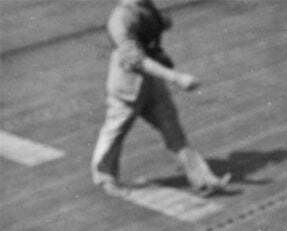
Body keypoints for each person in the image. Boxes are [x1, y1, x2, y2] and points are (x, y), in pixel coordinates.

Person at [90, 0, 230, 197]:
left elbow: (160, 23)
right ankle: (106, 179)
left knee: (173, 130)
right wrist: (177, 78)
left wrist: (161, 22)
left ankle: (203, 180)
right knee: (115, 132)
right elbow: (136, 60)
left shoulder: (144, 6)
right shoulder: (120, 19)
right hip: (127, 87)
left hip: (152, 84)